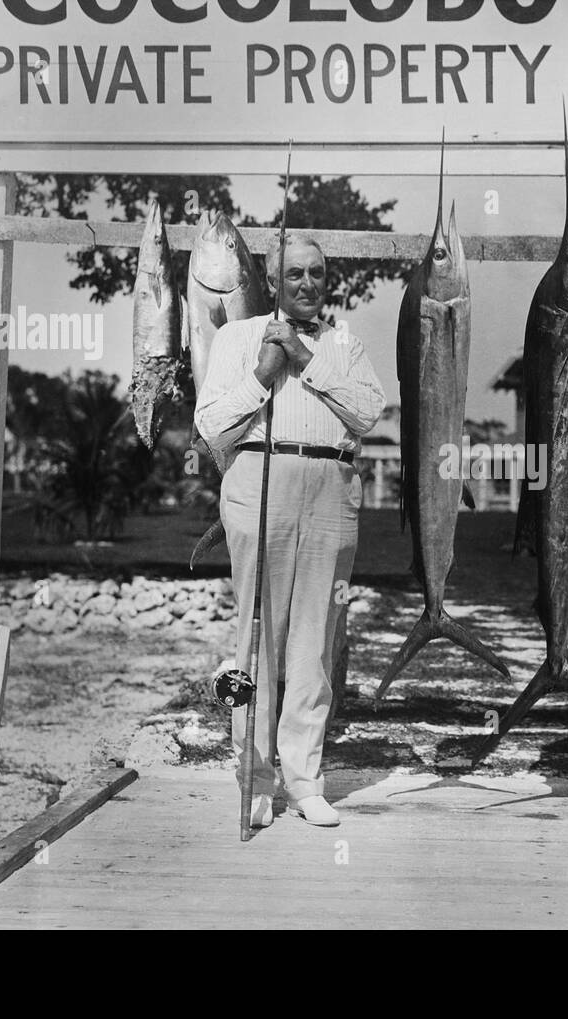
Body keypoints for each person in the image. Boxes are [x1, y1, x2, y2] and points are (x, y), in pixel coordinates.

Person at [195, 235, 386, 828]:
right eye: (294, 274)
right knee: (256, 638)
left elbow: (368, 412)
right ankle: (254, 781)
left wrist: (306, 361)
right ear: (272, 283)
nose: (307, 283)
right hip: (259, 476)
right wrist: (263, 374)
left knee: (315, 641)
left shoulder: (344, 342)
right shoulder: (237, 337)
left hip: (332, 484)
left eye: (317, 273)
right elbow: (212, 426)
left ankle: (305, 781)